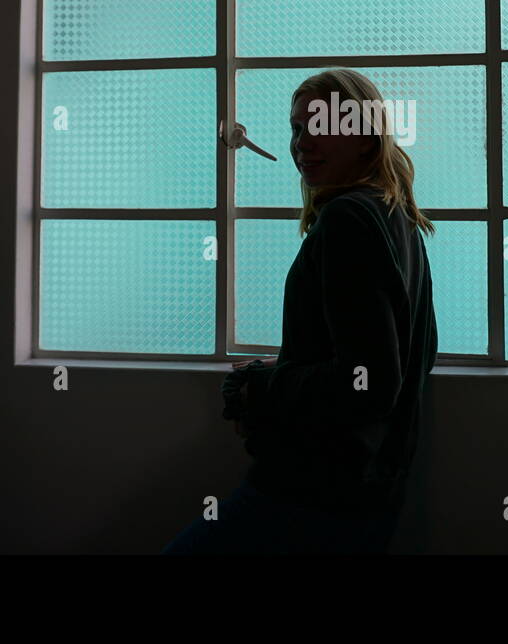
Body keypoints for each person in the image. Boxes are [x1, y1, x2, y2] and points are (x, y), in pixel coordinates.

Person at [163, 69, 438, 554]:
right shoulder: (398, 217)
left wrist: (262, 387)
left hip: (315, 492)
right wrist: (288, 371)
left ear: (363, 135)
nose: (302, 143)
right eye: (296, 128)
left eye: (319, 126)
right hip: (370, 491)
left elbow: (370, 382)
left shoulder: (347, 220)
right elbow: (413, 357)